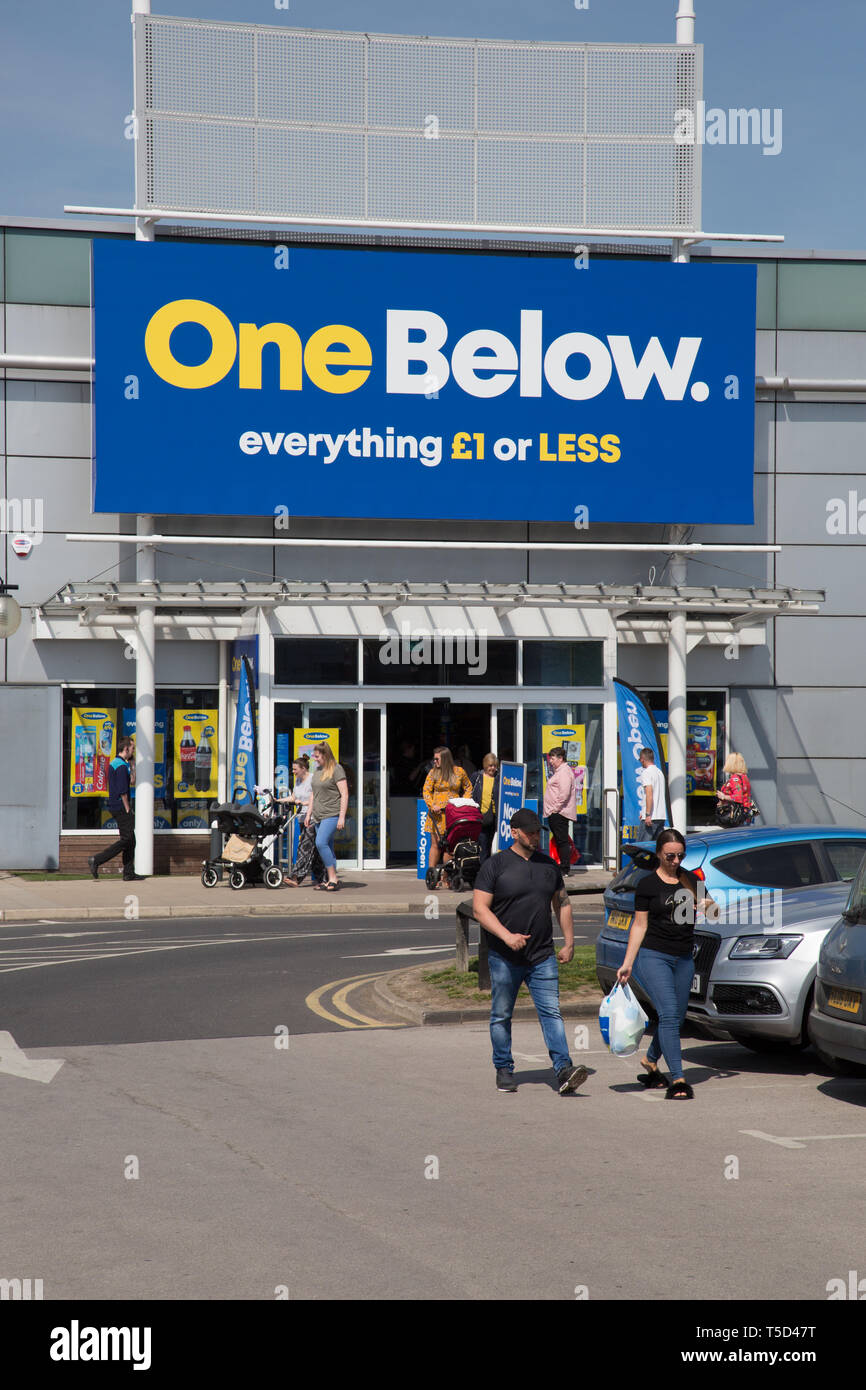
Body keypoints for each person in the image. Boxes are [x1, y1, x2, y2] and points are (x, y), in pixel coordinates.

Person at [473, 807, 589, 1096]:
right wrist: (506, 936)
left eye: (538, 832)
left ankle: (563, 1069)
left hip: (542, 955)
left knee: (551, 1012)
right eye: (530, 832)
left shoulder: (548, 865)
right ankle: (504, 1068)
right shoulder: (495, 865)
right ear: (514, 833)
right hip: (504, 956)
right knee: (501, 1014)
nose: (536, 837)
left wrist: (570, 942)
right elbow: (479, 909)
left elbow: (561, 903)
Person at [616, 828, 718, 1100]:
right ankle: (679, 1079)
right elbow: (639, 925)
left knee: (676, 1015)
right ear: (659, 854)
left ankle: (650, 1061)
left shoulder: (690, 879)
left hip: (684, 957)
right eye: (670, 856)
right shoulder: (648, 885)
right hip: (653, 956)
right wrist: (628, 963)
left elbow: (714, 911)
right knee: (670, 1013)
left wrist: (707, 903)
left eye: (680, 856)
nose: (675, 861)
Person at [88, 737, 146, 881]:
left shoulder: (119, 763)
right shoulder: (120, 766)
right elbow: (123, 791)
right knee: (127, 839)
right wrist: (128, 809)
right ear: (126, 749)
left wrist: (132, 764)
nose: (133, 750)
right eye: (132, 748)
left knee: (131, 840)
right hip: (121, 806)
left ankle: (128, 873)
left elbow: (132, 781)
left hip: (117, 806)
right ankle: (96, 860)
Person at [422, 746, 473, 880]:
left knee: (449, 846)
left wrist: (464, 801)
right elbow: (426, 790)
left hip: (453, 812)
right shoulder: (433, 773)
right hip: (437, 813)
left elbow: (468, 787)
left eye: (436, 759)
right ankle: (432, 875)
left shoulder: (459, 772)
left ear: (444, 759)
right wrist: (432, 804)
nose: (434, 762)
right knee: (436, 845)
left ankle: (446, 877)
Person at [305, 742, 349, 891]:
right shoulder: (317, 771)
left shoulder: (337, 769)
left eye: (317, 756)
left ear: (325, 755)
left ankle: (333, 878)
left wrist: (342, 816)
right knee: (328, 847)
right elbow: (313, 794)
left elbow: (344, 794)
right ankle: (329, 880)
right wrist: (309, 813)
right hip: (318, 815)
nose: (315, 759)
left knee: (320, 843)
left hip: (332, 813)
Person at [280, 755, 324, 887]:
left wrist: (304, 803)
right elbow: (293, 797)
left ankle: (296, 877)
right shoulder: (297, 781)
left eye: (295, 769)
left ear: (304, 768)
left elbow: (316, 797)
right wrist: (277, 801)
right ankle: (323, 877)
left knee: (304, 847)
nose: (293, 772)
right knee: (314, 850)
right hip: (301, 818)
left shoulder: (312, 779)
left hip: (312, 818)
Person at [543, 745, 577, 874]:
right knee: (559, 839)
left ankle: (564, 868)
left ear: (560, 758)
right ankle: (562, 865)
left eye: (552, 758)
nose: (550, 761)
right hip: (557, 812)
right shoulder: (560, 772)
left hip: (559, 812)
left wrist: (555, 809)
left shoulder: (564, 772)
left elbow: (564, 793)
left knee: (562, 840)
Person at [471, 752, 499, 863]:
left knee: (487, 846)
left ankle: (484, 870)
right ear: (485, 765)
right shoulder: (477, 777)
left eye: (494, 766)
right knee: (479, 845)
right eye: (490, 765)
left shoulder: (499, 778)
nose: (492, 768)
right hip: (478, 817)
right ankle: (479, 869)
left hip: (492, 818)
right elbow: (468, 791)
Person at [636, 747, 667, 842]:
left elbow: (649, 794)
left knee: (640, 848)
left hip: (651, 818)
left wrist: (647, 814)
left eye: (640, 760)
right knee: (657, 849)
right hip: (660, 816)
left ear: (642, 759)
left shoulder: (646, 773)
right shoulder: (659, 772)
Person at [717, 752, 753, 822]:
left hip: (736, 816)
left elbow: (738, 798)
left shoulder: (735, 779)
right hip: (745, 813)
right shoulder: (744, 777)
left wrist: (723, 796)